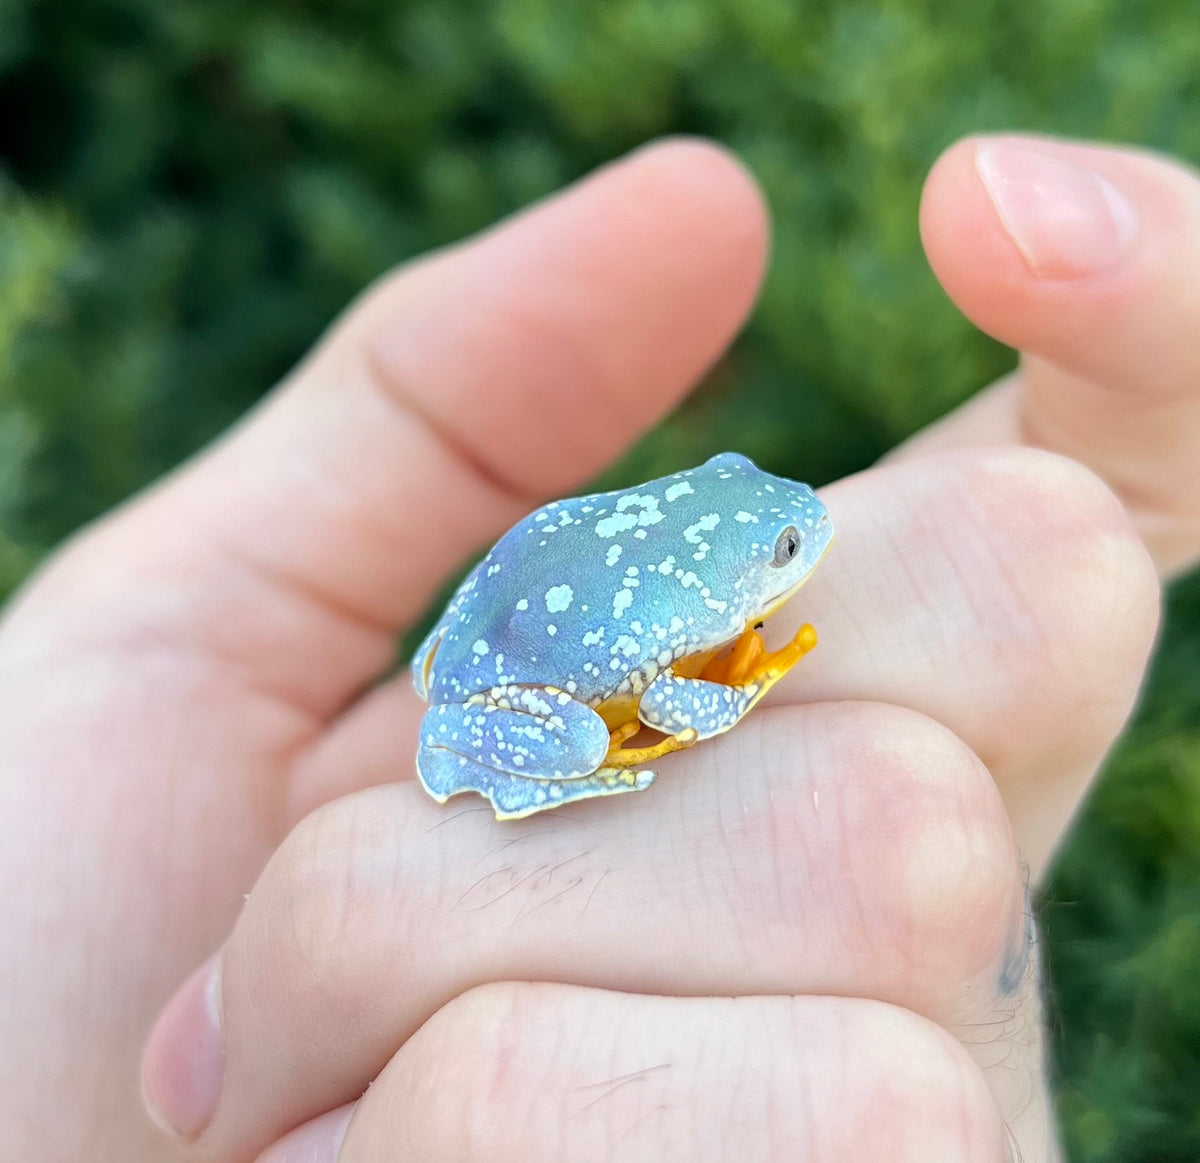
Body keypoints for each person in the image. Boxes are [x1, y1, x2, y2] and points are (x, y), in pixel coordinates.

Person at [1, 134, 1196, 1162]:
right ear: (738, 569)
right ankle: (534, 760)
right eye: (780, 549)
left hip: (506, 620)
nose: (798, 543)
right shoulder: (691, 622)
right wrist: (722, 696)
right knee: (584, 729)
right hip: (530, 686)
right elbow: (682, 711)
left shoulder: (699, 573)